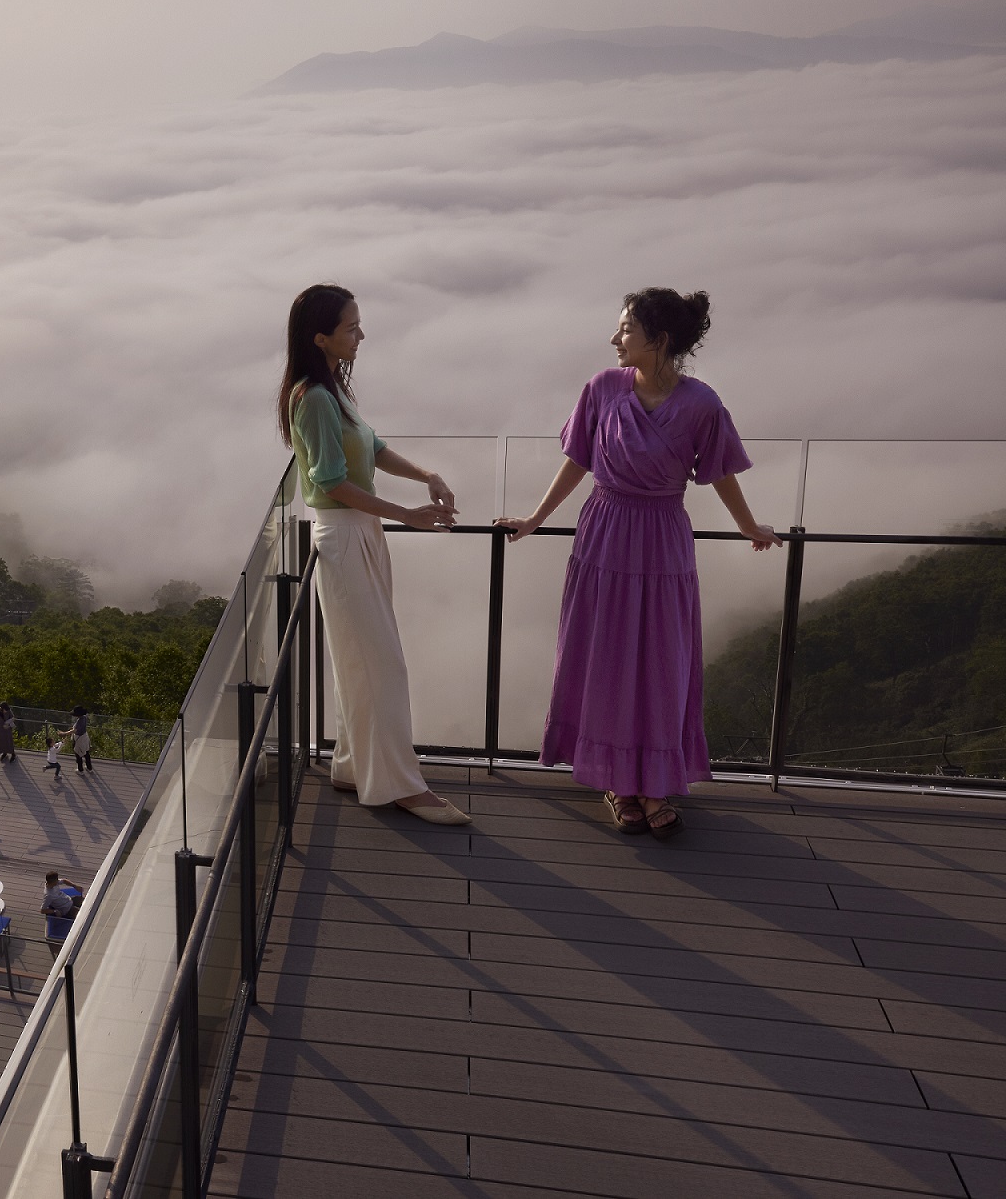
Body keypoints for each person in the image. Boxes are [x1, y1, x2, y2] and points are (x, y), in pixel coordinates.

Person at [496, 288, 778, 839]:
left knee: (660, 660)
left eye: (625, 329)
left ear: (659, 340)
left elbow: (722, 475)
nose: (614, 338)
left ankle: (652, 783)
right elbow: (577, 462)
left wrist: (750, 527)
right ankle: (619, 783)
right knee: (606, 655)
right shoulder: (602, 388)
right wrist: (533, 519)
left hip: (663, 537)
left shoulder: (701, 404)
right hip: (604, 533)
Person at [280, 284, 470, 823]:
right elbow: (331, 481)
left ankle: (351, 764)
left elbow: (373, 445)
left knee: (362, 664)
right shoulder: (314, 398)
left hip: (358, 532)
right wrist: (406, 513)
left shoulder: (330, 389)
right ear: (321, 338)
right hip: (343, 536)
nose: (361, 335)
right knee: (382, 665)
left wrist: (426, 475)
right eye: (351, 328)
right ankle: (399, 786)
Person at [70, 706, 94, 773]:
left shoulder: (79, 721)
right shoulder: (84, 718)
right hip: (85, 737)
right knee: (86, 752)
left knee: (78, 753)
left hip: (79, 738)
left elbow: (74, 730)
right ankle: (89, 767)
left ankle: (80, 770)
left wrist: (64, 733)